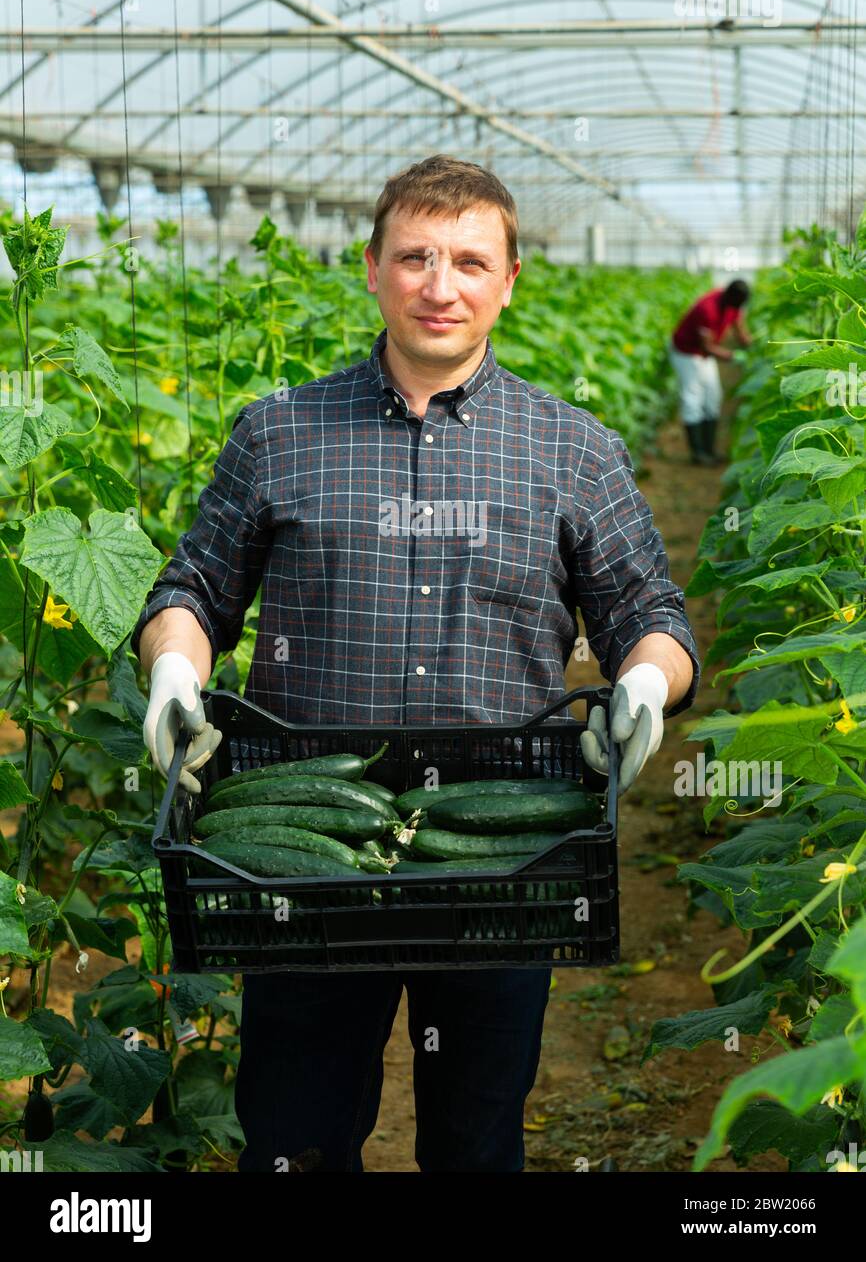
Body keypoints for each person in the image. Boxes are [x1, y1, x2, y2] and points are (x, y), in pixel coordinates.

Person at [132, 154, 700, 1174]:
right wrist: (175, 668)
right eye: (416, 256)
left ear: (509, 282)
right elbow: (193, 590)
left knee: (475, 1139)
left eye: (470, 262)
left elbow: (647, 611)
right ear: (372, 269)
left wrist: (648, 681)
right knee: (294, 1137)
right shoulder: (278, 434)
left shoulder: (571, 448)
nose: (441, 285)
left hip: (499, 859)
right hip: (300, 850)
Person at [670, 278, 752, 466]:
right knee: (692, 398)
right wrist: (732, 356)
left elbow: (738, 325)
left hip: (703, 355)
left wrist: (746, 340)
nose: (738, 308)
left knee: (712, 397)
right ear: (730, 297)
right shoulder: (706, 309)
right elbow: (706, 347)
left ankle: (709, 450)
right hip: (686, 353)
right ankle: (698, 453)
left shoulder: (732, 304)